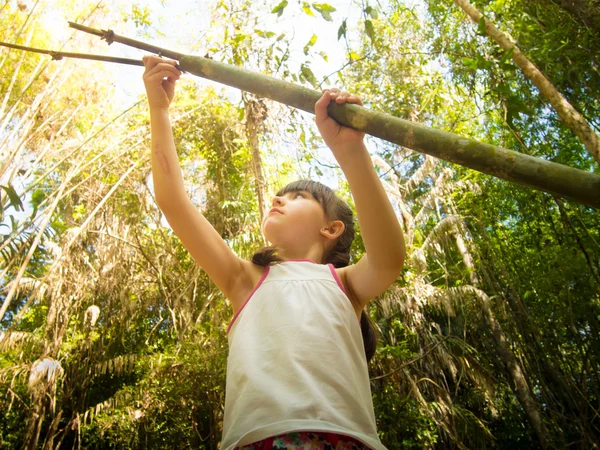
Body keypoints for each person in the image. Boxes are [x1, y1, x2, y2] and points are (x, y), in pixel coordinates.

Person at [142, 55, 406, 450]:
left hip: (347, 441)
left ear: (331, 229)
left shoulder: (345, 285)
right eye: (279, 195)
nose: (278, 199)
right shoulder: (244, 279)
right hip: (257, 441)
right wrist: (159, 109)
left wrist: (350, 151)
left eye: (297, 196)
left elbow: (388, 259)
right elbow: (173, 201)